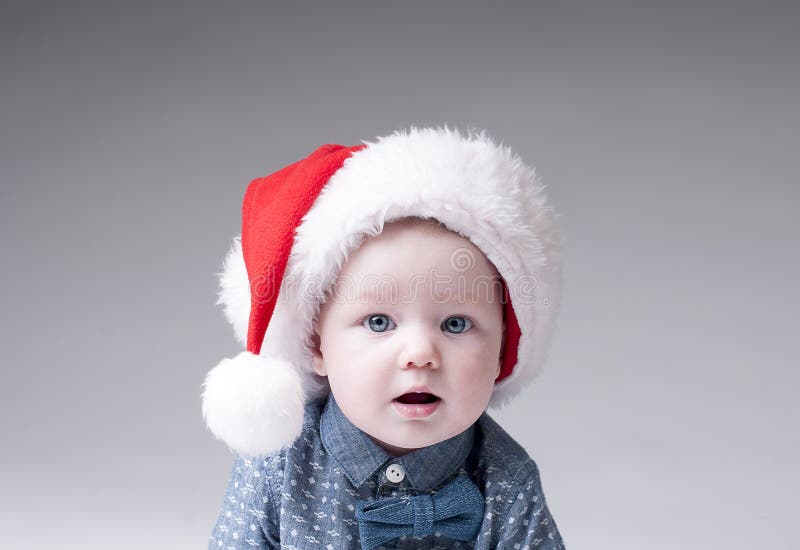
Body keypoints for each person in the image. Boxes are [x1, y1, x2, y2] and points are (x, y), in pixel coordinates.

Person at [202, 127, 565, 549]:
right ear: (316, 346)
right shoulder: (278, 464)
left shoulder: (506, 480)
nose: (420, 354)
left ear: (503, 347)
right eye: (378, 322)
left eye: (455, 324)